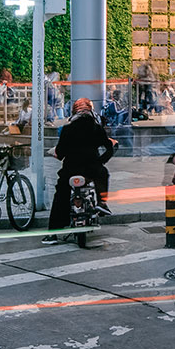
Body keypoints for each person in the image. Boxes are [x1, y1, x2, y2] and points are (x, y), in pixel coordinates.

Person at [44, 98, 117, 242]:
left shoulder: (68, 129)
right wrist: (99, 162)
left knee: (61, 194)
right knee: (103, 174)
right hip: (92, 169)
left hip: (71, 169)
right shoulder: (97, 128)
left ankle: (52, 232)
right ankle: (102, 203)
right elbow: (109, 149)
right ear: (91, 111)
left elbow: (61, 152)